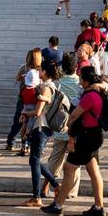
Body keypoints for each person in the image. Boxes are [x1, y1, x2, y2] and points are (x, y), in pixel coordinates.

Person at [42, 65, 107, 216]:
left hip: (86, 137)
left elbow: (73, 116)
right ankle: (98, 206)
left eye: (81, 80)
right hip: (95, 135)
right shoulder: (98, 92)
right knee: (93, 170)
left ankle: (58, 205)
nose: (80, 83)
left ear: (86, 80)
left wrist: (70, 132)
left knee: (69, 168)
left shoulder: (90, 95)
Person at [21, 61, 61, 207]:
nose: (38, 72)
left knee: (34, 160)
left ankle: (37, 197)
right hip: (43, 127)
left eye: (39, 70)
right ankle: (56, 186)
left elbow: (38, 112)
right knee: (35, 160)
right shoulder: (49, 86)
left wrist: (25, 112)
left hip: (41, 127)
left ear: (44, 72)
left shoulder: (46, 88)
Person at [44, 53, 82, 202]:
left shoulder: (58, 82)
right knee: (75, 160)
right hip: (76, 127)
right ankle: (71, 191)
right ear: (76, 66)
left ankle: (46, 186)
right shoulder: (80, 82)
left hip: (60, 124)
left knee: (55, 158)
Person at [5, 48, 42, 153]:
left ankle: (12, 141)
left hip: (23, 98)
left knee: (20, 121)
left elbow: (17, 78)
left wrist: (23, 78)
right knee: (31, 124)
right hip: (35, 100)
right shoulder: (40, 70)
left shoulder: (24, 67)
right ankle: (27, 145)